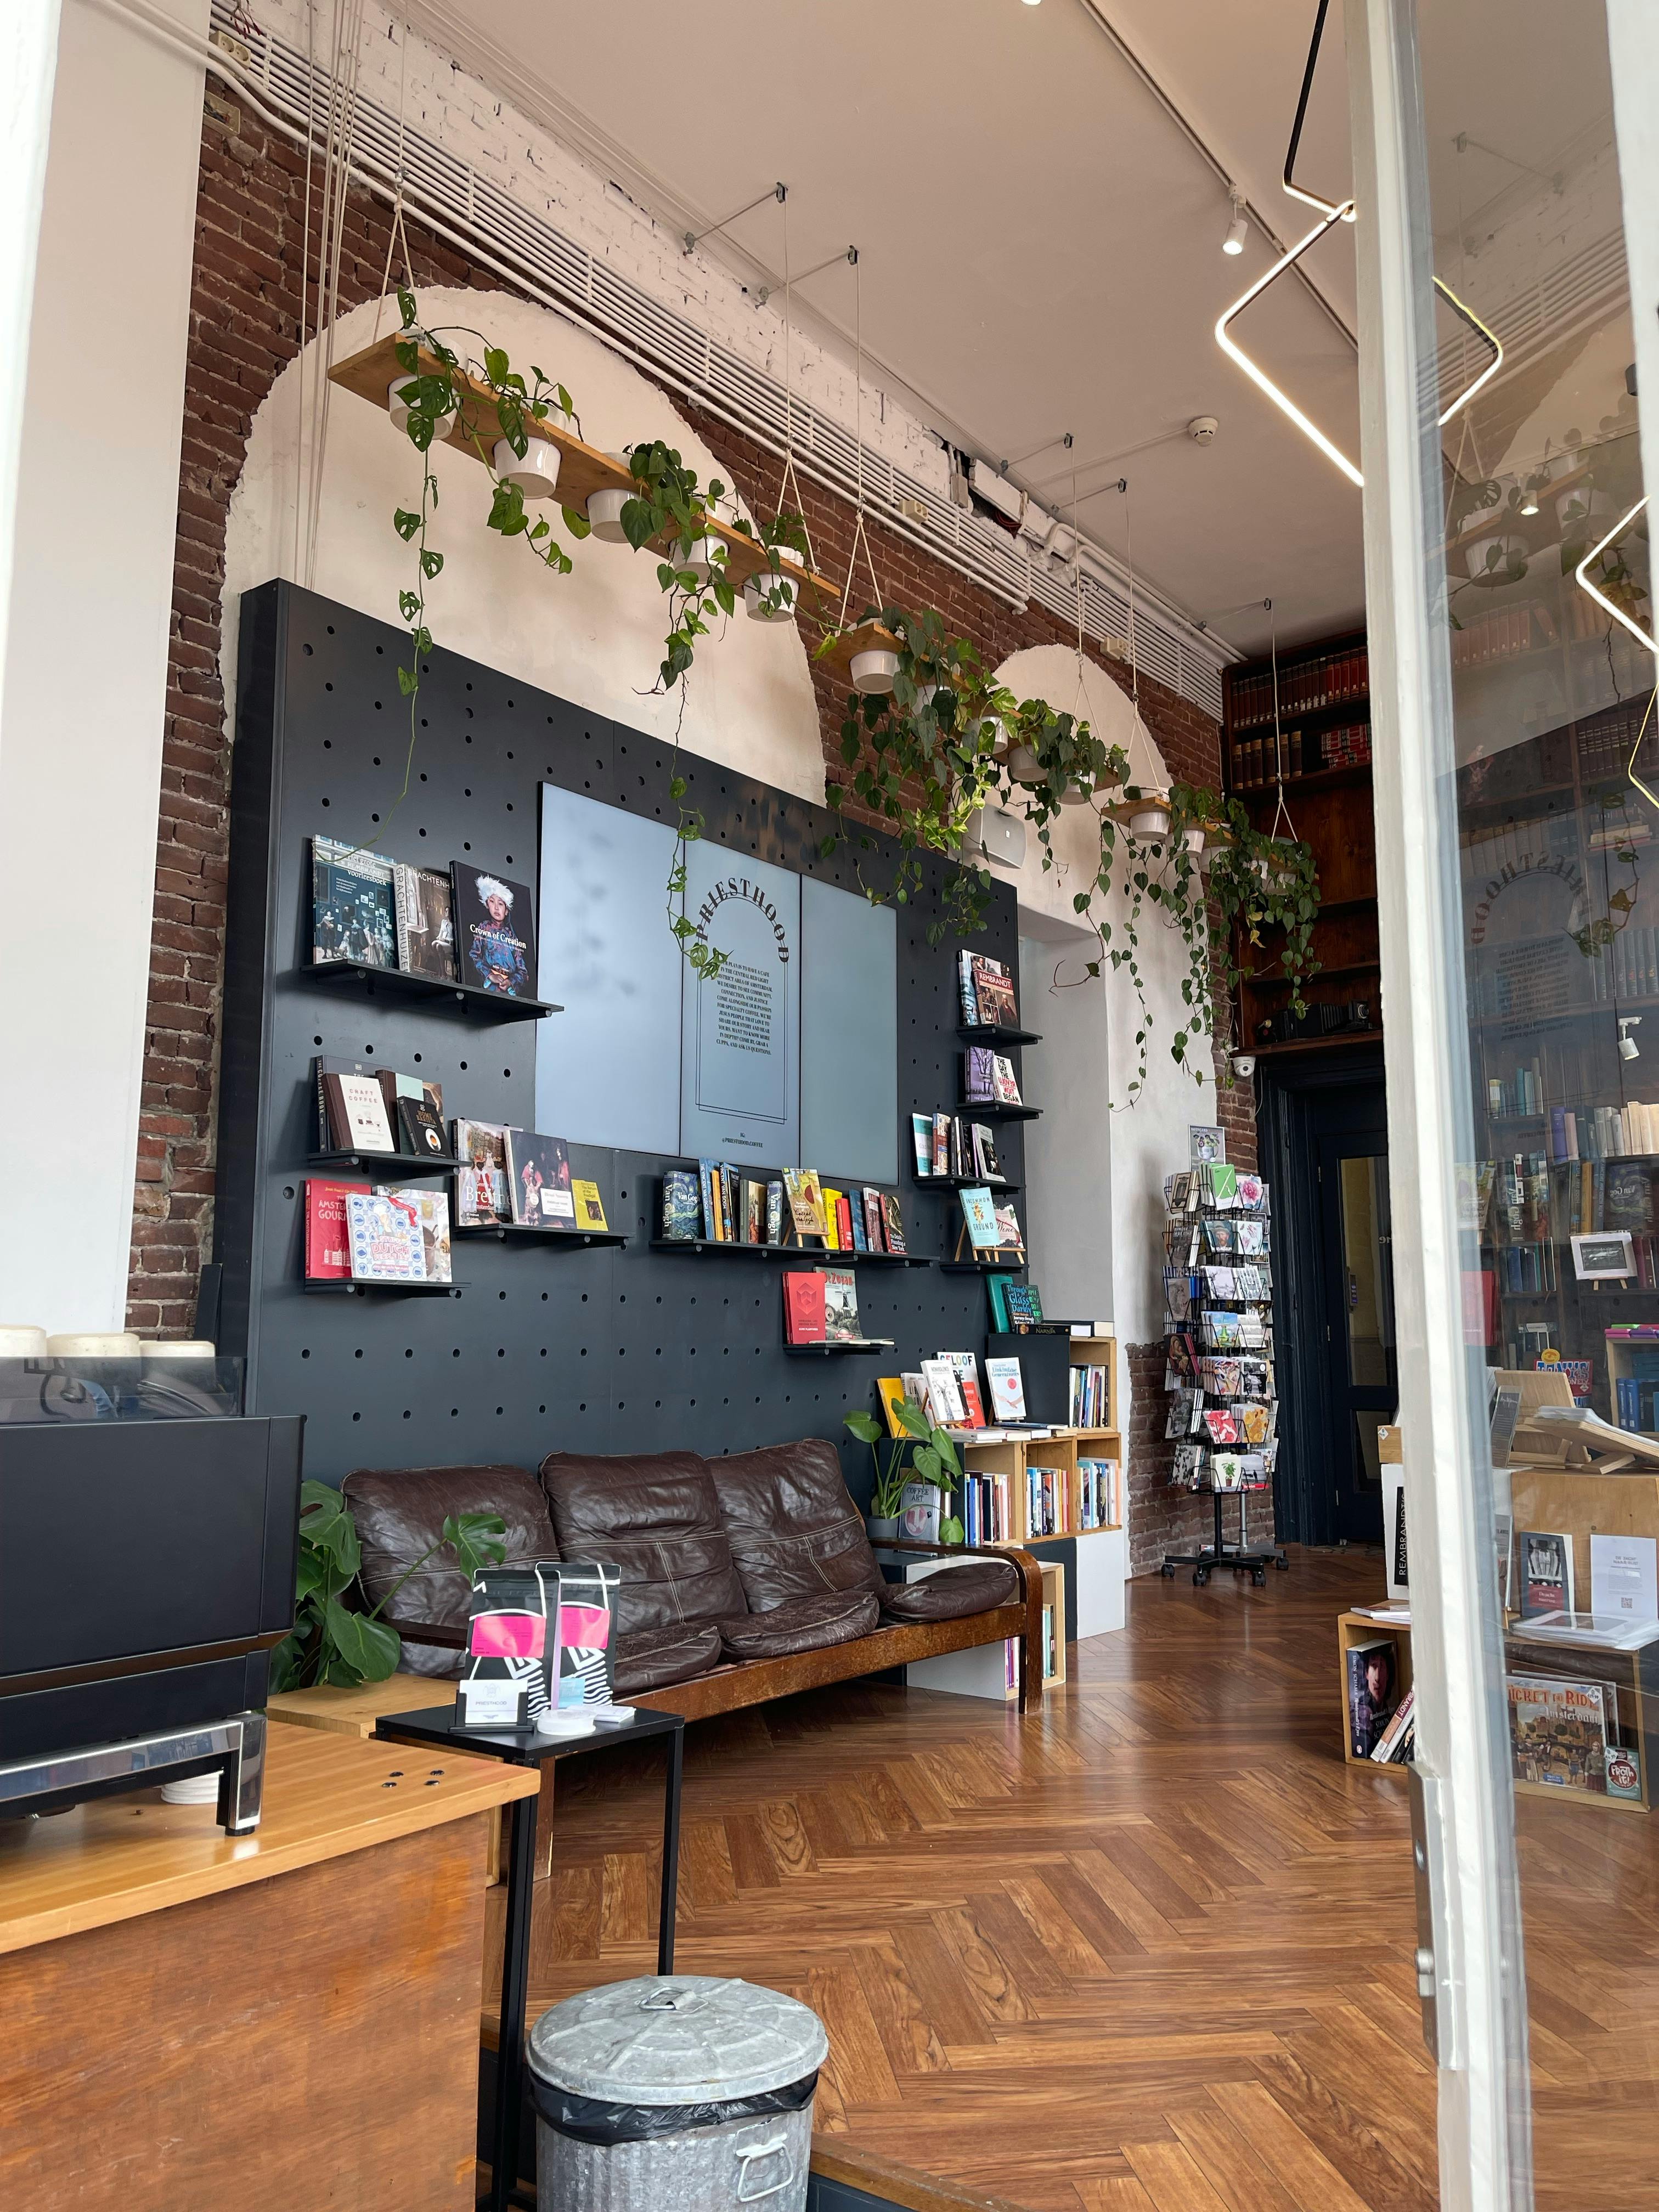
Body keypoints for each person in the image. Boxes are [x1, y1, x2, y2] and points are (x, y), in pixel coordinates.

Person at [467, 873, 528, 995]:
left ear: (506, 910)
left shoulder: (511, 936)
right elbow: (474, 955)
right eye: (492, 902)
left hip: (509, 988)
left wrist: (511, 982)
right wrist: (490, 975)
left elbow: (523, 971)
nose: (496, 908)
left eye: (500, 904)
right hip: (489, 985)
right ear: (487, 904)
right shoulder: (484, 928)